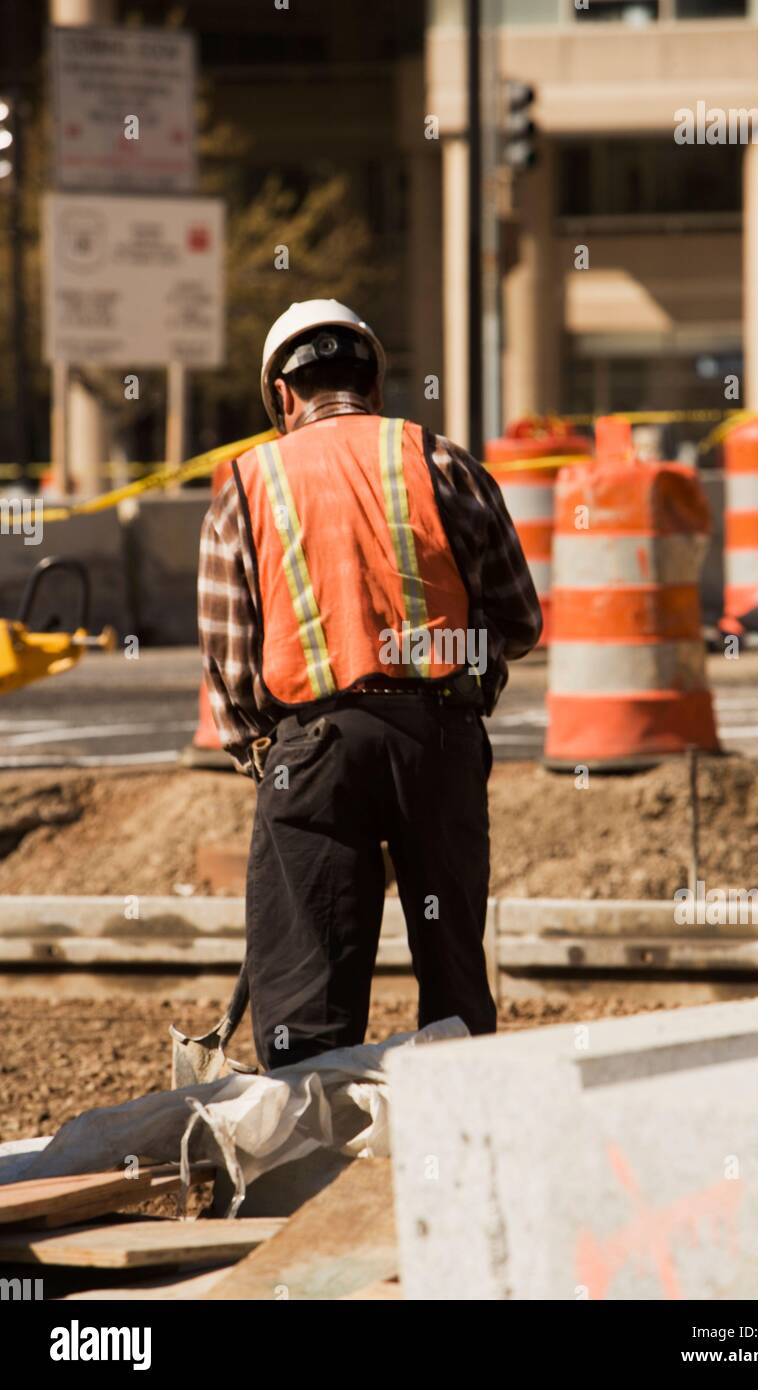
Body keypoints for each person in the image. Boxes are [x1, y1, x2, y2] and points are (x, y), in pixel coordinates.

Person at [198, 299, 541, 1069]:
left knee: (305, 996)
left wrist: (269, 751)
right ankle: (459, 1143)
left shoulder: (247, 484)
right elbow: (518, 619)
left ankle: (307, 1165)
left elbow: (230, 662)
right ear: (374, 387)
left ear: (282, 398)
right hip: (440, 743)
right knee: (455, 974)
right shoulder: (443, 461)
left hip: (313, 749)